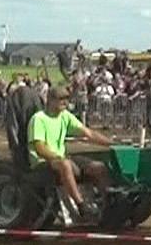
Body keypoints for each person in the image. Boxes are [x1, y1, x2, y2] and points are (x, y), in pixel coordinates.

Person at [29, 87, 116, 226]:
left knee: (98, 167)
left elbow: (88, 133)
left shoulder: (65, 116)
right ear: (50, 101)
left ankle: (109, 207)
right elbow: (40, 149)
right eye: (61, 99)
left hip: (61, 157)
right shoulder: (38, 119)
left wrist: (112, 144)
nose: (65, 102)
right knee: (65, 164)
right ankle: (81, 206)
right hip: (43, 161)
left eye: (66, 99)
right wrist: (58, 158)